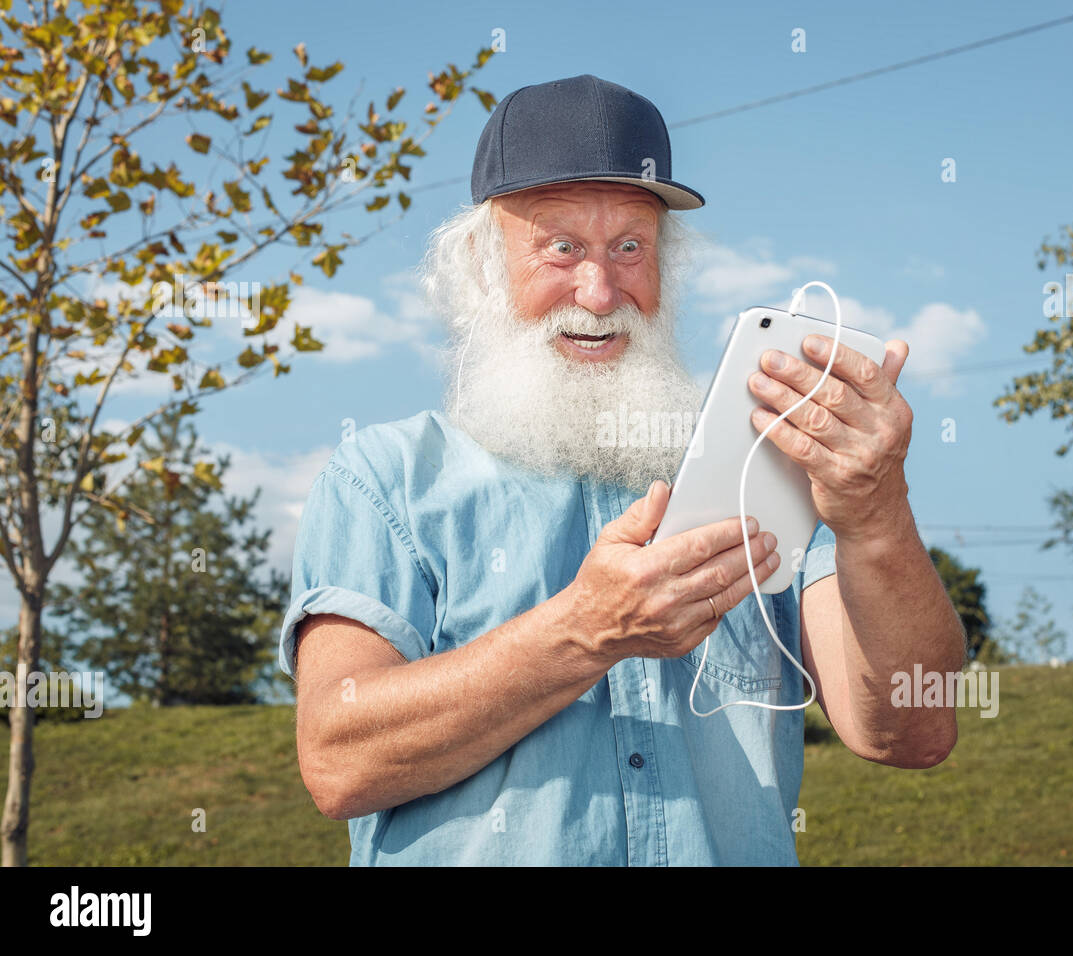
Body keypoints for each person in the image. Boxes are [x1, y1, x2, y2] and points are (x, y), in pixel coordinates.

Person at [279, 73, 966, 865]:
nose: (599, 292)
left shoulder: (761, 462)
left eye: (630, 247)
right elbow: (337, 760)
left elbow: (916, 731)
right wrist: (585, 632)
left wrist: (878, 514)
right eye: (560, 246)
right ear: (479, 267)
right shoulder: (384, 477)